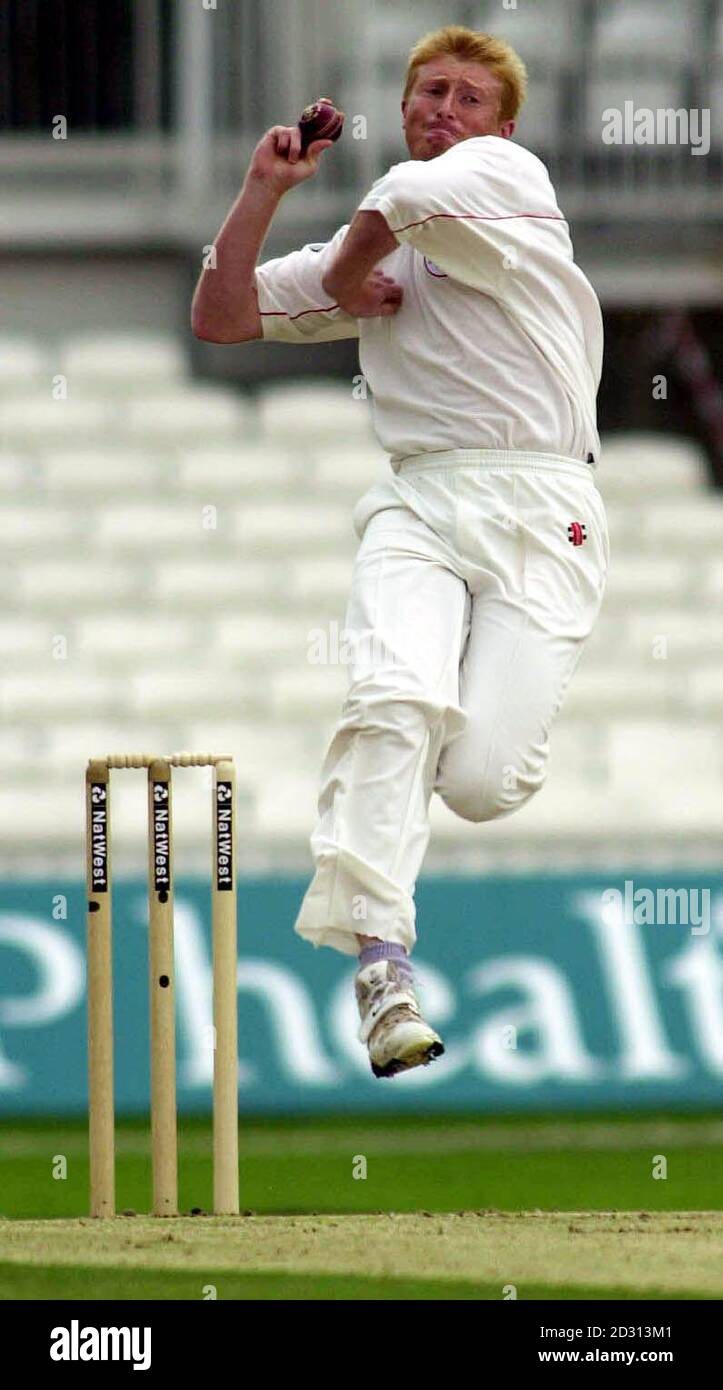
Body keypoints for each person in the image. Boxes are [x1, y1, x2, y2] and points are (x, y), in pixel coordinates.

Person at [191, 25, 609, 1080]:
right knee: (386, 700)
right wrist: (263, 190)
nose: (444, 110)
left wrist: (339, 272)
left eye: (468, 97)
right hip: (419, 497)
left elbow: (397, 209)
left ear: (500, 125)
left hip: (541, 500)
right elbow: (223, 314)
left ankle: (467, 713)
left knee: (476, 783)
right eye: (429, 91)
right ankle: (385, 971)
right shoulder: (376, 245)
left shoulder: (509, 179)